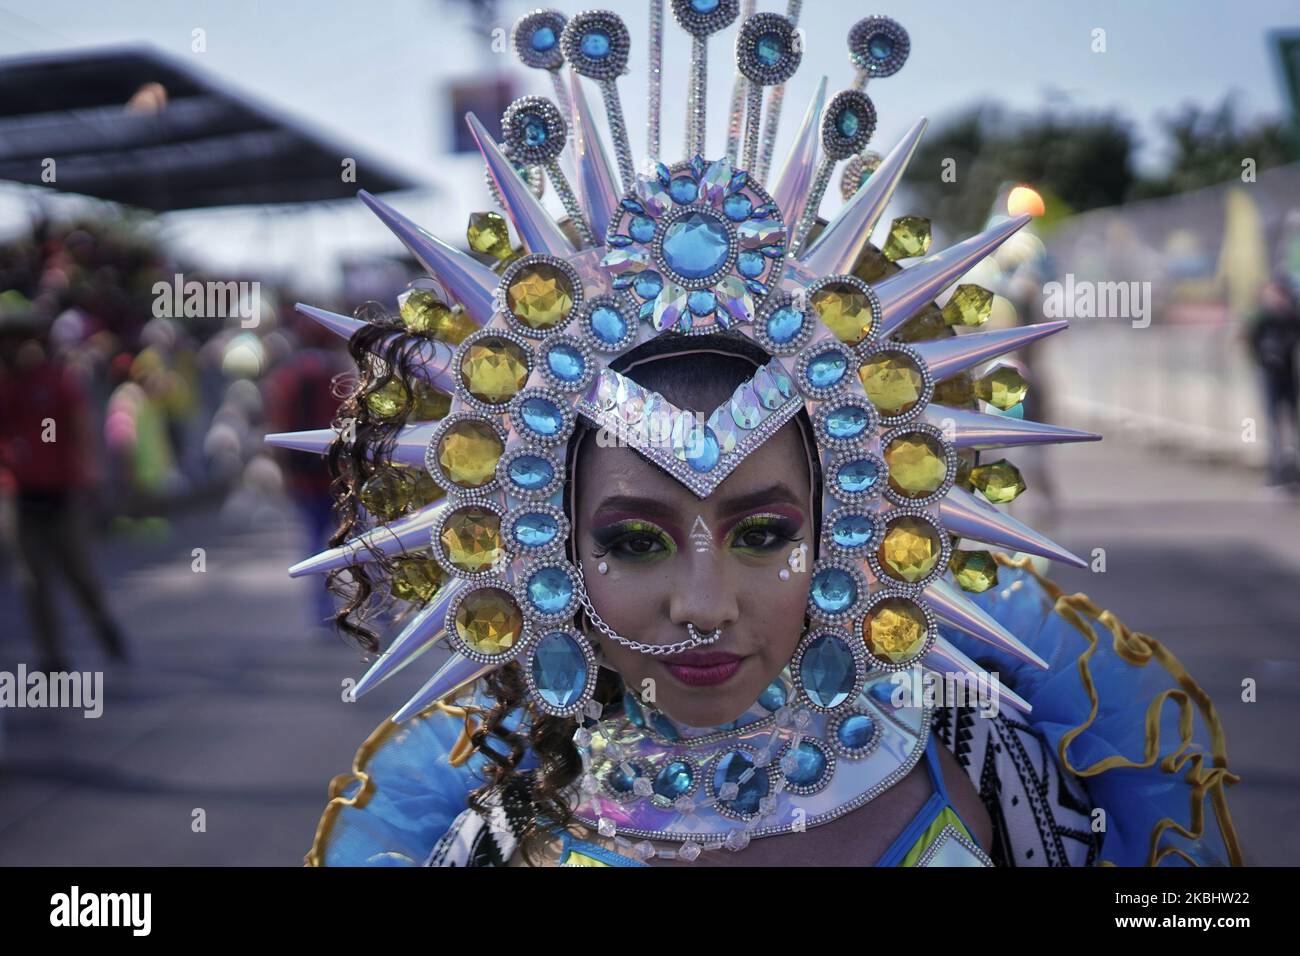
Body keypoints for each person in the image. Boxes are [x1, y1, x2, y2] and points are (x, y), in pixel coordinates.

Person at [273, 9, 1241, 867]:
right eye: (632, 539)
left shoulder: (999, 768)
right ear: (545, 550)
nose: (703, 605)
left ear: (853, 527)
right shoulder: (495, 837)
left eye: (765, 533)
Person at [0, 314, 130, 672]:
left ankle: (104, 627)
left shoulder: (56, 381)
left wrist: (90, 475)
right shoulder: (6, 385)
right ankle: (52, 656)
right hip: (22, 497)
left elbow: (80, 427)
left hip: (61, 496)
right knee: (32, 582)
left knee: (80, 574)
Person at [1247, 279, 1300, 487]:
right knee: (1273, 424)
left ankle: (1292, 469)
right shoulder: (1262, 318)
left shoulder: (1291, 317)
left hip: (1288, 377)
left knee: (1292, 422)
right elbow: (1250, 340)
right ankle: (1275, 470)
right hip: (1269, 377)